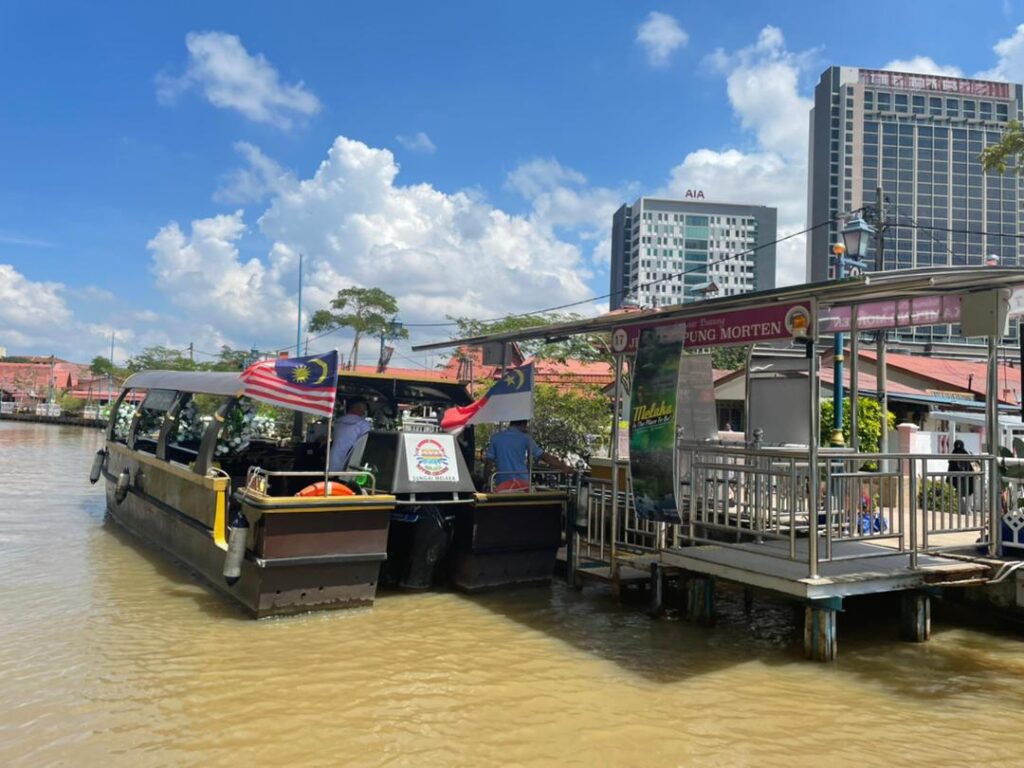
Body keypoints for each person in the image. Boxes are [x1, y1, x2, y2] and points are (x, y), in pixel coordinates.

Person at [484, 420, 573, 492]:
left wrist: (486, 482)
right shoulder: (525, 438)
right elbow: (543, 456)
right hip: (522, 483)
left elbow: (488, 462)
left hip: (502, 483)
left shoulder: (496, 438)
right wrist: (564, 467)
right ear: (524, 424)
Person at [328, 400, 371, 472]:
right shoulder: (363, 424)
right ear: (356, 408)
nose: (364, 412)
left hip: (332, 459)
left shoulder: (338, 421)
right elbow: (366, 443)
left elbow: (333, 437)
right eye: (364, 409)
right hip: (351, 461)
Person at [948, 438, 977, 514]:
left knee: (962, 494)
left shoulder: (954, 454)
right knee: (964, 494)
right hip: (964, 478)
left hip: (962, 478)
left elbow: (950, 467)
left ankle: (965, 510)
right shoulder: (965, 454)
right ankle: (966, 510)